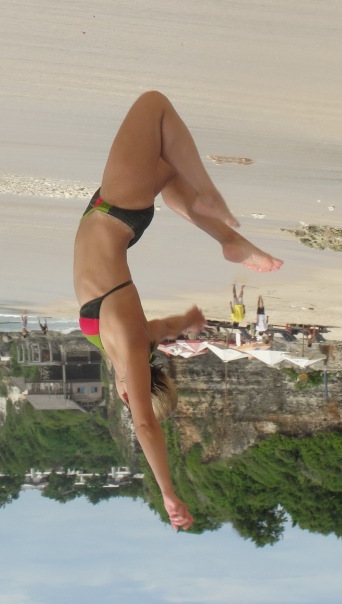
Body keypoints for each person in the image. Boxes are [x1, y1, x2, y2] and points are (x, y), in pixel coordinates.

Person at [74, 91, 283, 532]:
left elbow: (163, 327)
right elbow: (146, 426)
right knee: (154, 106)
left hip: (122, 217)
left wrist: (187, 322)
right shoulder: (131, 350)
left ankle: (226, 236)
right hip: (115, 210)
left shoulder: (133, 344)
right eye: (128, 398)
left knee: (168, 168)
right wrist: (168, 491)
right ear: (129, 393)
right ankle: (213, 209)